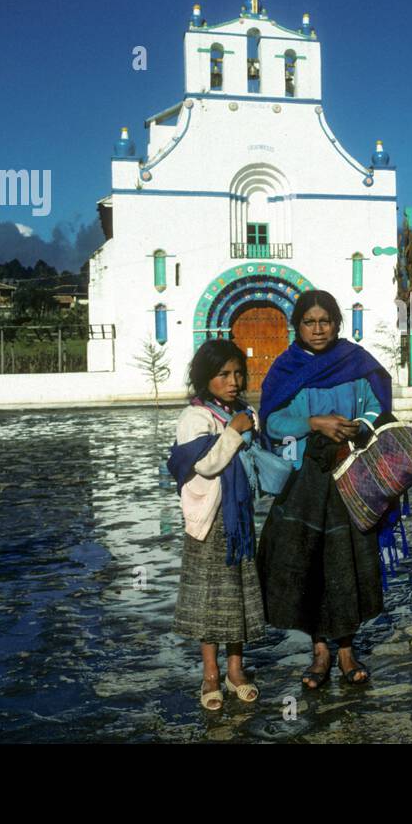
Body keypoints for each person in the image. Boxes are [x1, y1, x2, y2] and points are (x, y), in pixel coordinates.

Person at [257, 290, 396, 688]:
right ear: (296, 326)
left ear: (337, 323)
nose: (318, 329)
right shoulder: (287, 368)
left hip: (351, 475)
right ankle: (319, 653)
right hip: (305, 481)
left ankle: (348, 651)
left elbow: (376, 404)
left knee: (348, 561)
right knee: (312, 563)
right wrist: (314, 423)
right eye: (309, 322)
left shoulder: (354, 361)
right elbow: (272, 423)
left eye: (325, 321)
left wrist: (359, 427)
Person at [168, 339, 265, 709]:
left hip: (238, 519)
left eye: (238, 373)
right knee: (210, 600)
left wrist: (242, 427)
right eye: (223, 374)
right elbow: (205, 464)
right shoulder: (194, 417)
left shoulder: (242, 410)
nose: (233, 380)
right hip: (208, 520)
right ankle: (210, 673)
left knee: (237, 595)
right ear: (205, 377)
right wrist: (235, 432)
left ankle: (236, 670)